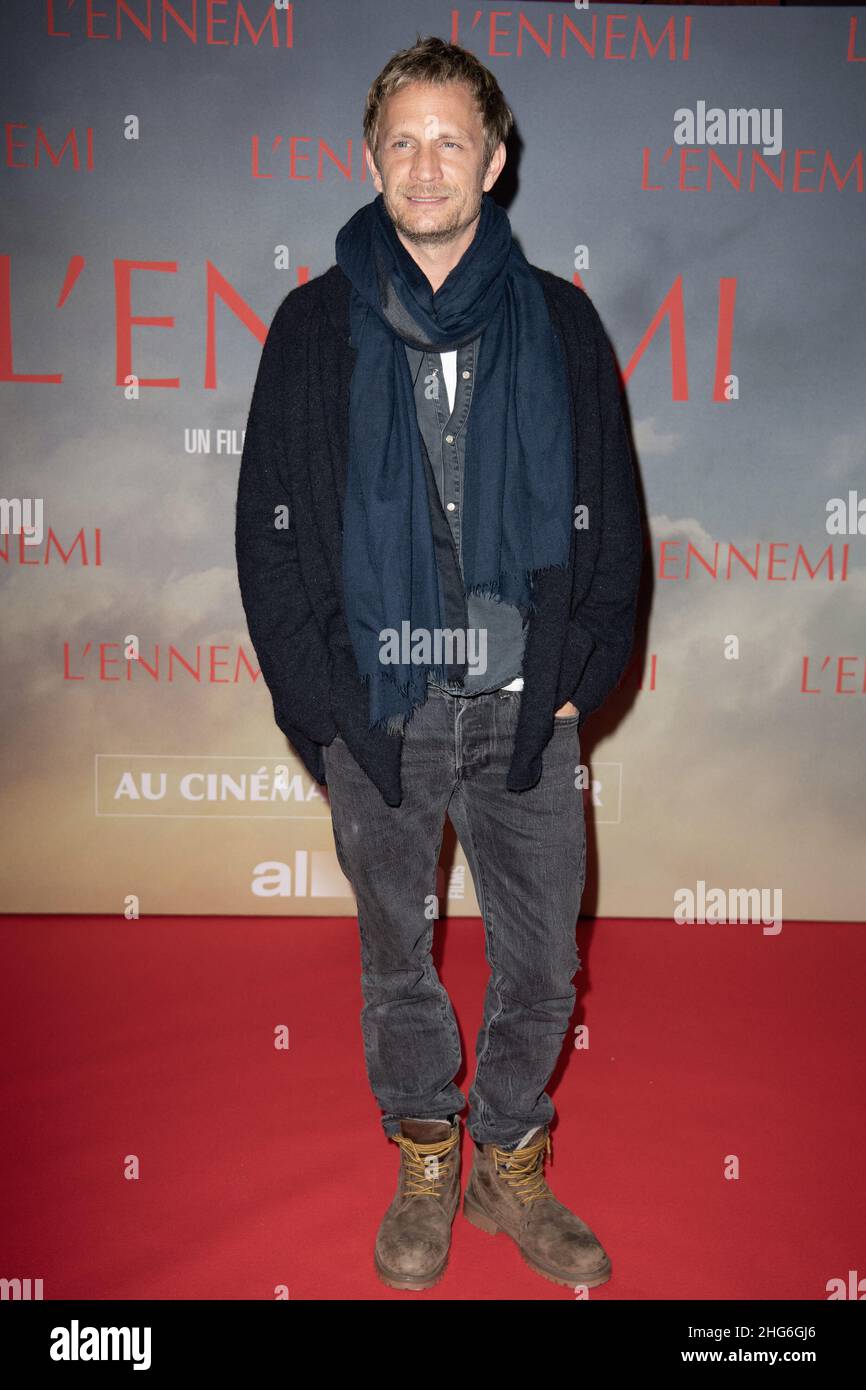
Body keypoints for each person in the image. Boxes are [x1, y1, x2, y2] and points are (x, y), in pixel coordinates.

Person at [235, 35, 642, 1294]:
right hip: (381, 708)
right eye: (400, 141)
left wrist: (577, 673)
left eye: (449, 139)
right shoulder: (310, 326)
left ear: (493, 161)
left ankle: (506, 1158)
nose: (424, 164)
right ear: (371, 159)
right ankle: (423, 1145)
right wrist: (322, 707)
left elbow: (610, 519)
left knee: (543, 963)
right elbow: (270, 531)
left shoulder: (560, 323)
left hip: (523, 700)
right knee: (395, 958)